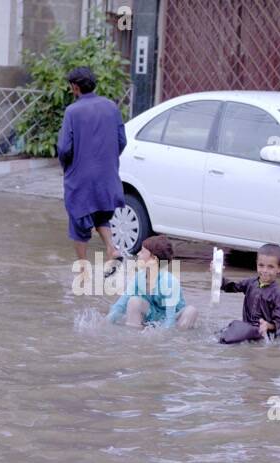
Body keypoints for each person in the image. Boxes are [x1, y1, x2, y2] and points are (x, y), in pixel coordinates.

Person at [57, 66, 127, 271]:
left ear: (75, 87)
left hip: (81, 179)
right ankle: (112, 249)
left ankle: (82, 268)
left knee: (79, 225)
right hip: (108, 178)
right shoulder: (111, 107)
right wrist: (107, 161)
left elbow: (64, 148)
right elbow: (122, 141)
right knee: (102, 216)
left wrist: (67, 167)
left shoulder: (73, 111)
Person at [107, 236, 198, 330]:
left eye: (142, 252)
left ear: (153, 259)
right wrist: (106, 323)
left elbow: (170, 318)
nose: (138, 254)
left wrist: (161, 337)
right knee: (133, 301)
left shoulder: (169, 282)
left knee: (191, 311)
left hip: (174, 318)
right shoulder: (139, 277)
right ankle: (134, 337)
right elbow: (120, 304)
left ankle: (178, 338)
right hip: (152, 315)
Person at [217, 244, 280, 344]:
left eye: (270, 267)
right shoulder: (251, 283)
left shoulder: (278, 294)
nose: (265, 271)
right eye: (261, 265)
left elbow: (278, 322)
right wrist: (217, 274)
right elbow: (231, 287)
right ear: (256, 264)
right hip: (246, 330)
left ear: (279, 268)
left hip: (264, 335)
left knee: (227, 338)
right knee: (219, 334)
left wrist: (267, 325)